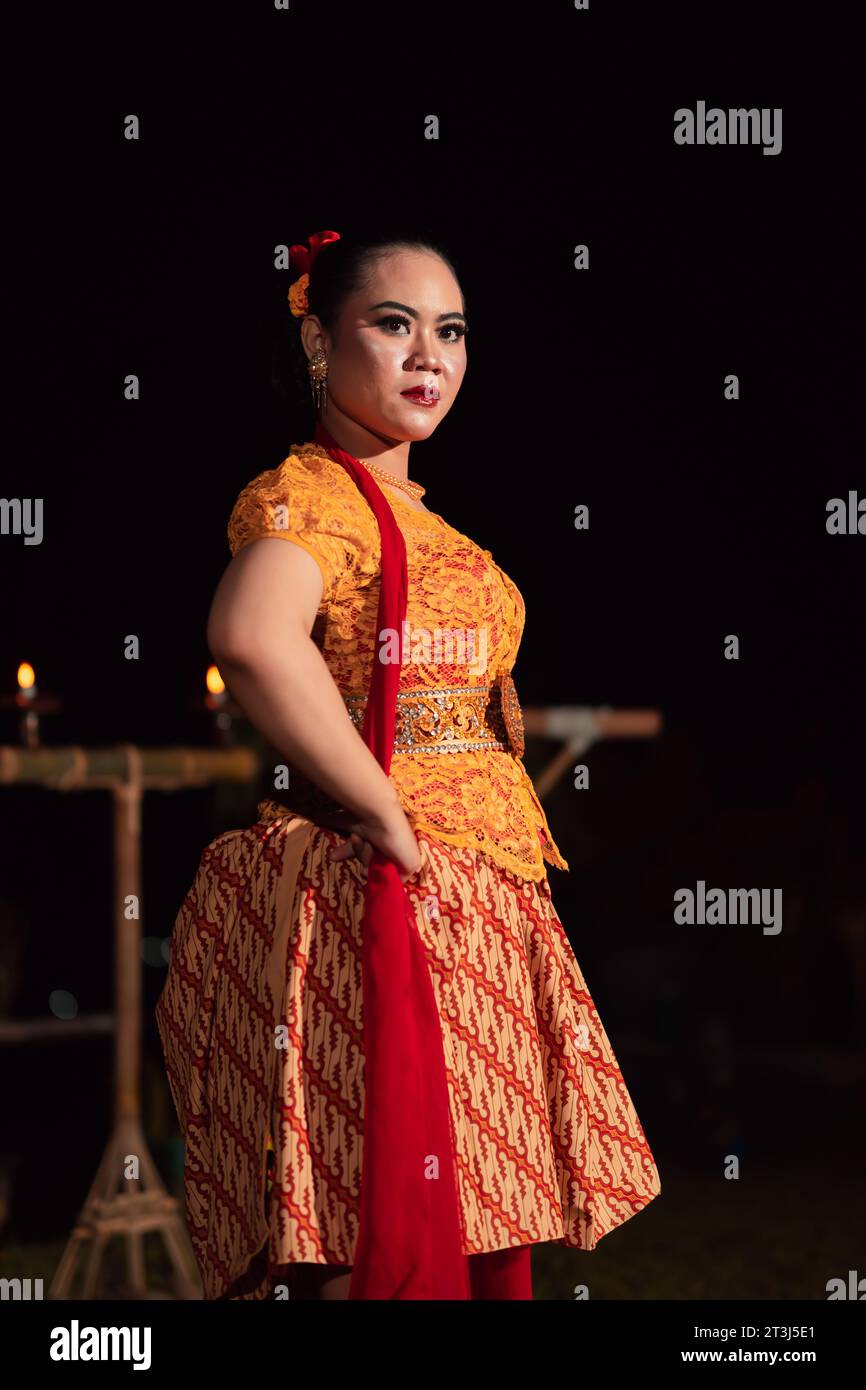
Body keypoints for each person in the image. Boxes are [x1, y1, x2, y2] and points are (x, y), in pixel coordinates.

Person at [155, 228, 661, 1302]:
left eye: (450, 332)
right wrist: (381, 810)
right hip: (392, 884)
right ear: (316, 341)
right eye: (391, 325)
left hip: (469, 886)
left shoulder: (411, 511)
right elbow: (250, 633)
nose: (427, 355)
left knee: (470, 1213)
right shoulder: (315, 500)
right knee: (388, 1221)